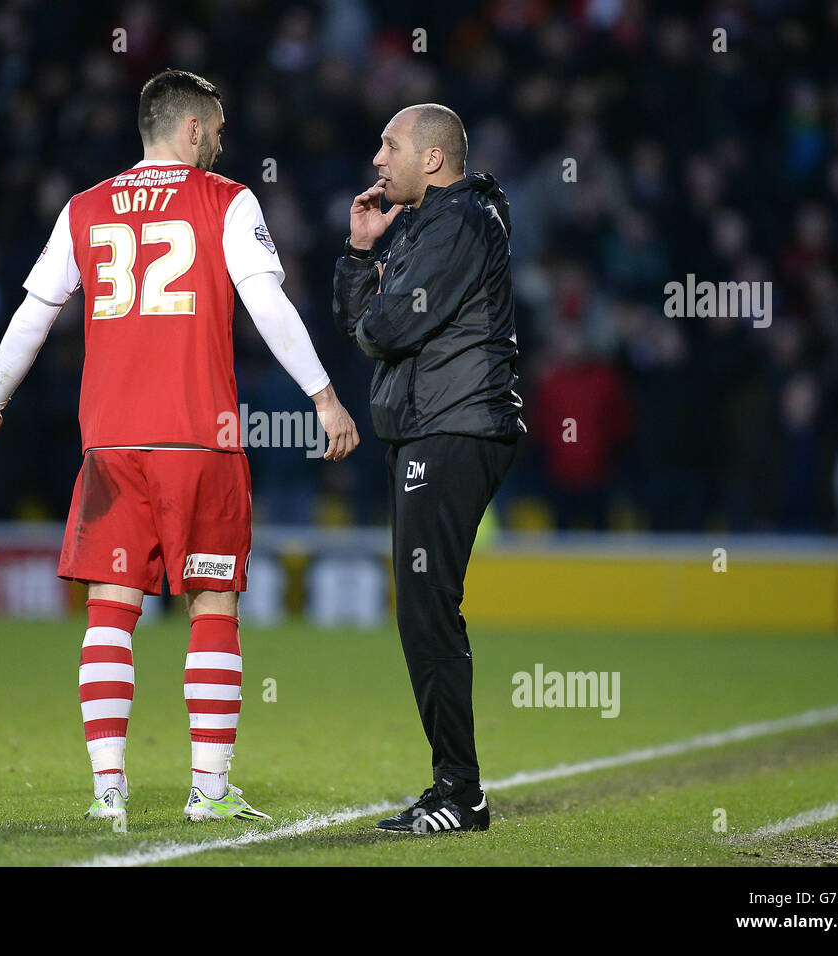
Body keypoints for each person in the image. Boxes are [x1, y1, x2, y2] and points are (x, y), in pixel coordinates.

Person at [0, 70, 359, 826]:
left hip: (111, 443)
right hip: (197, 439)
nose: (222, 140)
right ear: (187, 129)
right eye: (215, 127)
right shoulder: (226, 199)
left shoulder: (83, 208)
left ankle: (107, 790)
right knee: (214, 605)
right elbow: (266, 302)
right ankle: (208, 791)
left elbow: (33, 313)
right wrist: (323, 395)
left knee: (110, 610)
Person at [334, 103, 524, 834]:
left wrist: (376, 302)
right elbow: (364, 325)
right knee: (421, 606)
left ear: (433, 159)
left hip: (457, 423)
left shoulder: (461, 222)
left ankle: (461, 791)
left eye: (390, 146)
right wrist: (359, 256)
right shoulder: (423, 225)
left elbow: (385, 328)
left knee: (426, 606)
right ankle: (455, 784)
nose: (377, 160)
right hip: (429, 426)